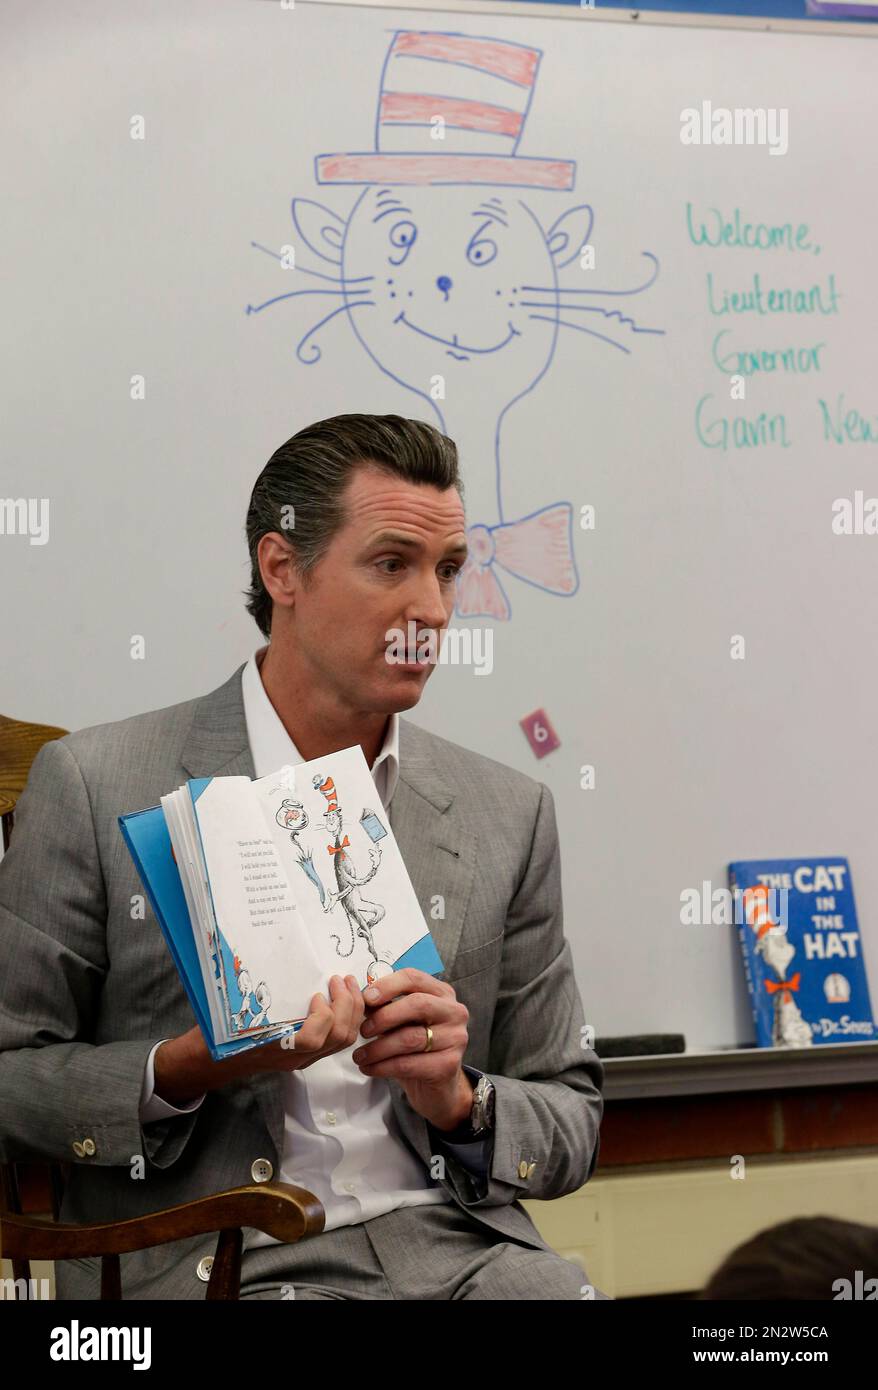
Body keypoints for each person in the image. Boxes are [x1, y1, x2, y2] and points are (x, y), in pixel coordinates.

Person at [0, 413, 605, 1300]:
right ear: (281, 568)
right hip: (220, 1257)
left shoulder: (506, 812)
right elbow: (11, 1076)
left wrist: (458, 1099)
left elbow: (571, 1113)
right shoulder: (96, 783)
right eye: (392, 564)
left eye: (447, 572)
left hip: (461, 1250)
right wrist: (185, 1069)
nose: (432, 612)